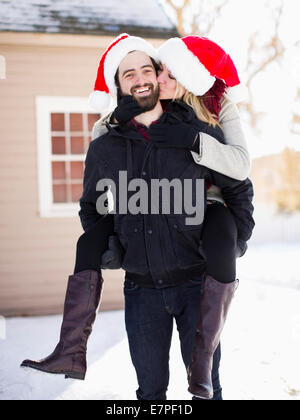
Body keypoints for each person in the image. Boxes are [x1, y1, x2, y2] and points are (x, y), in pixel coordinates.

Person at [83, 34, 254, 400]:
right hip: (141, 283)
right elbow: (94, 201)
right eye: (158, 72)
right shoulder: (115, 130)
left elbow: (239, 176)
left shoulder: (214, 112)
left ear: (189, 79)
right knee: (150, 391)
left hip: (199, 248)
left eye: (163, 73)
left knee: (206, 387)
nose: (157, 81)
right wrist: (108, 241)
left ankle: (215, 315)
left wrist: (239, 237)